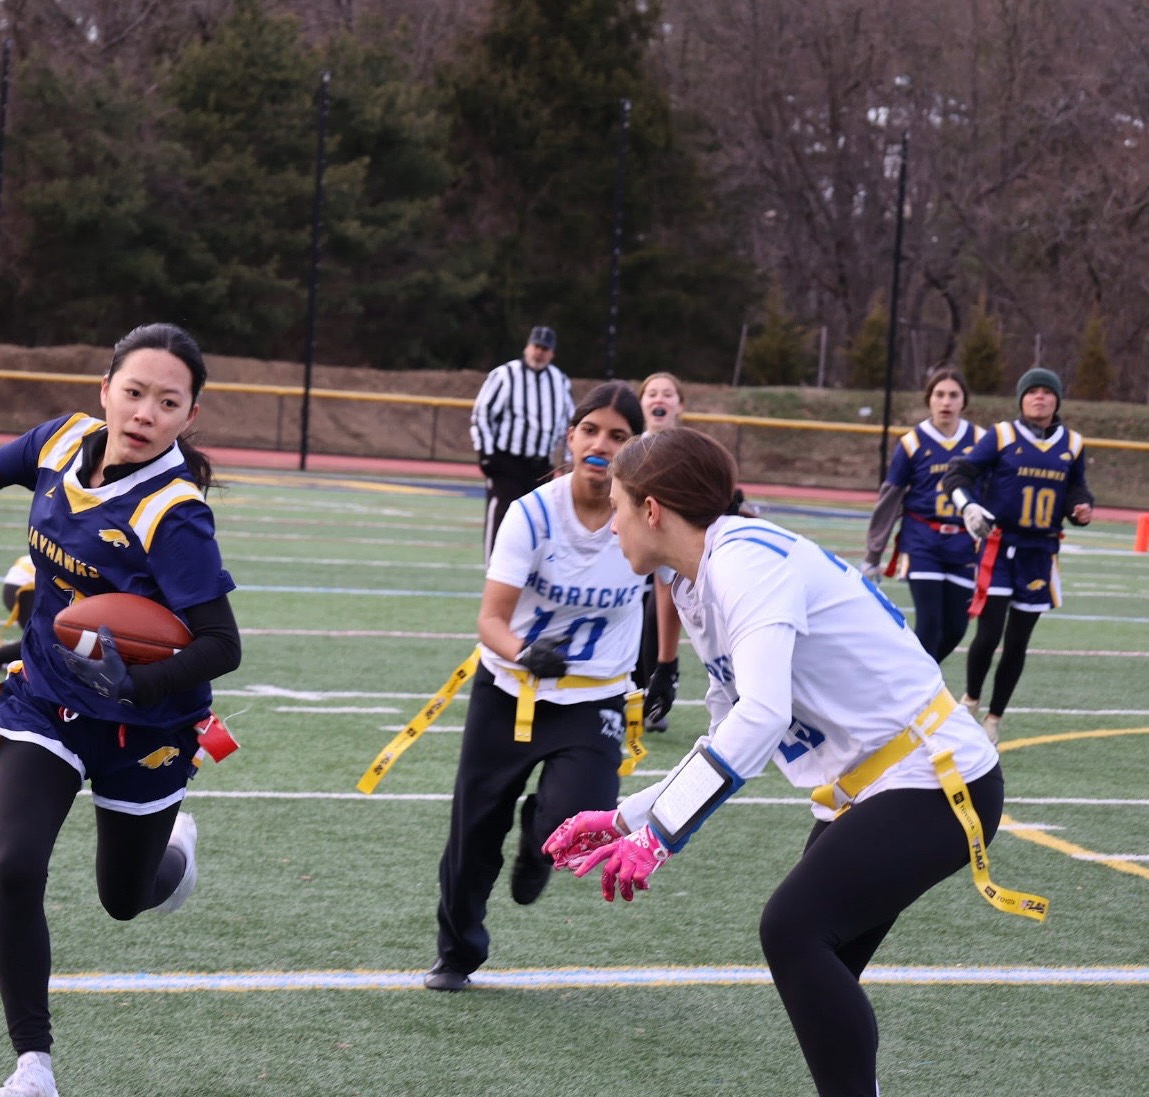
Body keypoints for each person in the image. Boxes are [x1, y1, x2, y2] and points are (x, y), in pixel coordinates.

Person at [544, 426, 1020, 1097]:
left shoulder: (743, 564)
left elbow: (762, 717)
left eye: (619, 506)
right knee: (814, 960)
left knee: (794, 930)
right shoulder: (699, 580)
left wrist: (662, 835)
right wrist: (629, 818)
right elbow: (728, 732)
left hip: (937, 778)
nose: (611, 523)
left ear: (652, 509)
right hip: (878, 785)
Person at [0, 322, 242, 1097]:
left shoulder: (175, 512)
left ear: (188, 416)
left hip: (146, 723)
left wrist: (131, 685)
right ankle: (33, 1067)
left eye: (167, 401)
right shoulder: (63, 438)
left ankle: (177, 852)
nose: (144, 412)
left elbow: (220, 644)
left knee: (123, 899)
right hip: (43, 695)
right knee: (13, 868)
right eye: (133, 392)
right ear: (105, 390)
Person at [425, 382, 646, 992]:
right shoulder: (531, 512)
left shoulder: (647, 512)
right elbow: (490, 619)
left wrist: (667, 664)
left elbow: (675, 588)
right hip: (511, 690)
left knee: (580, 820)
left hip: (594, 697)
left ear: (635, 449)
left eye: (619, 436)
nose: (602, 445)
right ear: (571, 438)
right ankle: (457, 951)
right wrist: (525, 652)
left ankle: (538, 842)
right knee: (472, 833)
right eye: (592, 431)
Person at [940, 366, 1092, 741]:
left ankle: (994, 719)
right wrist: (968, 507)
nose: (1039, 397)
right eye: (1032, 391)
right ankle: (970, 700)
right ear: (1022, 399)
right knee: (989, 633)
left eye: (1046, 391)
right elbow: (956, 475)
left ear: (1057, 400)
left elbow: (1077, 490)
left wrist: (1081, 508)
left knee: (1018, 641)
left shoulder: (1072, 444)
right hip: (1001, 548)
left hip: (1040, 552)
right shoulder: (1002, 435)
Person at [861, 368, 986, 663]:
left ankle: (909, 675)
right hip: (922, 541)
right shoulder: (913, 443)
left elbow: (993, 490)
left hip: (963, 545)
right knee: (929, 625)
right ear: (928, 400)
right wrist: (873, 553)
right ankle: (919, 695)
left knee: (955, 629)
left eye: (953, 395)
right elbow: (890, 498)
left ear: (963, 401)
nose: (946, 402)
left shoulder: (981, 440)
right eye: (939, 394)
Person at [470, 326, 575, 561]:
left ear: (552, 354)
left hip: (541, 467)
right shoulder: (504, 375)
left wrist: (568, 461)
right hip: (507, 462)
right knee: (503, 518)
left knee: (540, 522)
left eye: (545, 349)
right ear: (527, 347)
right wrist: (487, 454)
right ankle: (494, 572)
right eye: (536, 347)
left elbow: (570, 426)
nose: (539, 353)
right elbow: (482, 414)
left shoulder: (559, 382)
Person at [635, 372, 687, 731]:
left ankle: (655, 694)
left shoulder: (688, 452)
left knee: (660, 615)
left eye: (667, 394)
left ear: (679, 405)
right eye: (652, 392)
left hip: (669, 556)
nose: (660, 398)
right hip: (628, 555)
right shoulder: (628, 449)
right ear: (642, 403)